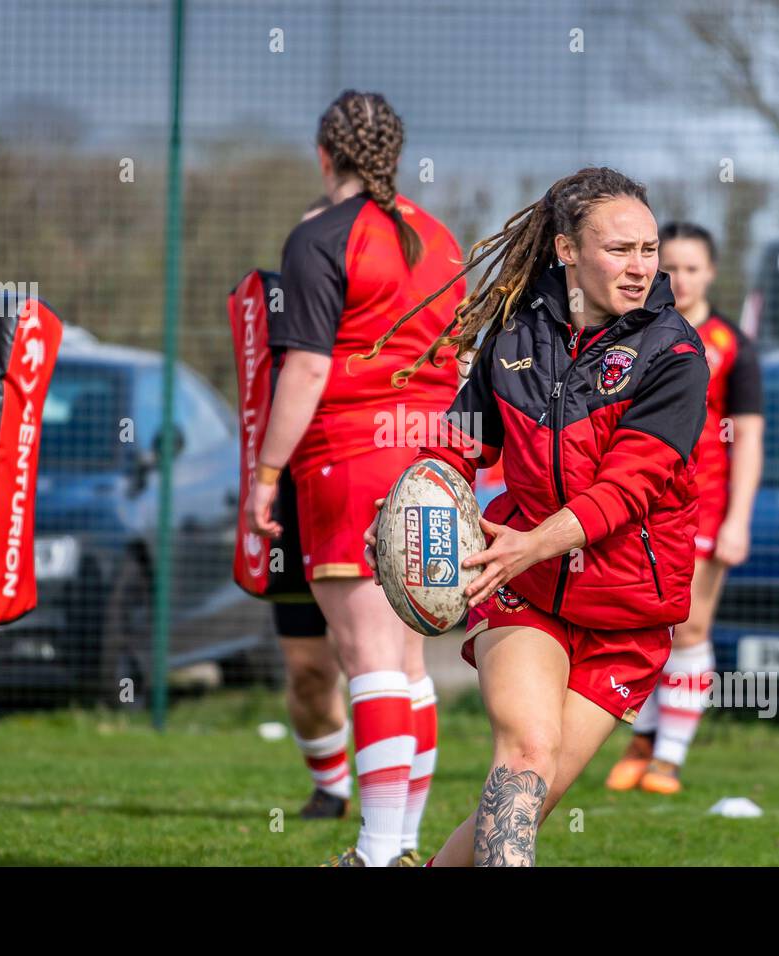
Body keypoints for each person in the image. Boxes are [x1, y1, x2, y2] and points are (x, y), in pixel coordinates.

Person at [363, 167, 709, 866]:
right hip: (527, 592)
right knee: (525, 754)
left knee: (531, 795)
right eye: (620, 250)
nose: (641, 267)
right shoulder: (514, 338)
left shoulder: (674, 355)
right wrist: (410, 498)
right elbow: (458, 445)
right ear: (566, 249)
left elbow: (625, 491)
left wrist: (530, 544)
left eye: (648, 249)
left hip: (626, 616)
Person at [245, 91, 465, 866]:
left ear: (323, 155)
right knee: (408, 663)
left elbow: (305, 368)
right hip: (434, 459)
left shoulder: (319, 238)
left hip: (350, 455)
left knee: (368, 657)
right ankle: (399, 845)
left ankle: (375, 854)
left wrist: (267, 472)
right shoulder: (439, 239)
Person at [605, 221, 763, 794]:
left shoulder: (731, 346)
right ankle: (643, 737)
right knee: (641, 620)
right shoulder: (632, 333)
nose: (682, 278)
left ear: (712, 273)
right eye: (671, 267)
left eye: (694, 268)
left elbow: (747, 436)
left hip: (704, 507)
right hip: (635, 502)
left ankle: (667, 757)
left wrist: (738, 519)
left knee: (689, 624)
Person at [271, 196, 349, 821]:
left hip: (357, 487)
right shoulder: (270, 306)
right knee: (307, 669)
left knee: (373, 655)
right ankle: (331, 784)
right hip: (292, 502)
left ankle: (390, 822)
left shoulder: (379, 306)